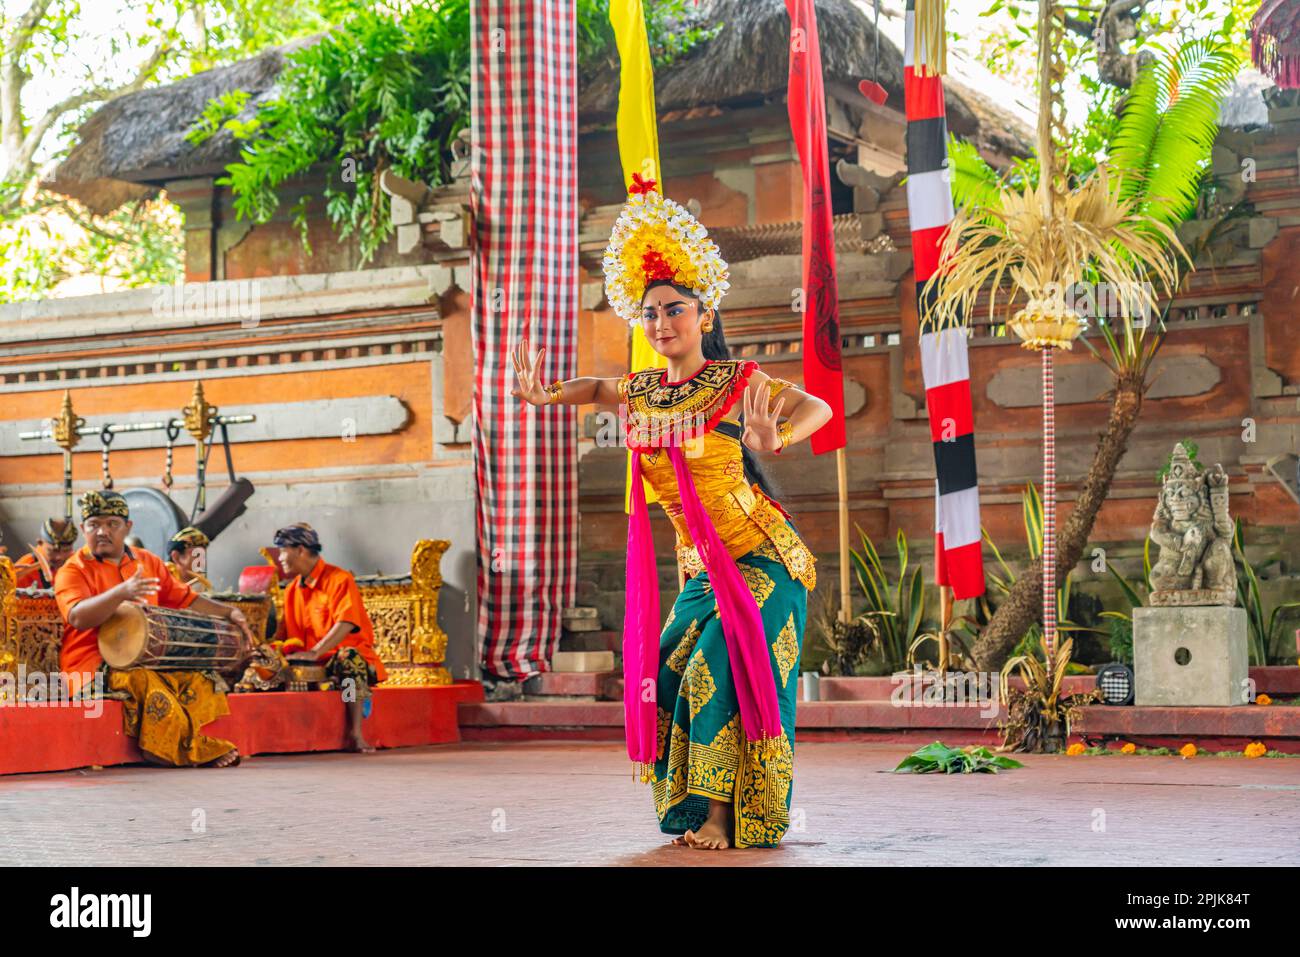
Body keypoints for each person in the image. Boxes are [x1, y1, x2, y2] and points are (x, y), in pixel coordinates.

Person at [512, 175, 831, 850]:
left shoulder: (737, 382)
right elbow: (595, 386)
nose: (661, 324)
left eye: (675, 310)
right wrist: (546, 395)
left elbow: (818, 407)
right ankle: (691, 805)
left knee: (719, 663)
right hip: (702, 570)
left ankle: (721, 814)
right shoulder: (642, 391)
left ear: (704, 315)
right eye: (651, 313)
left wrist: (776, 438)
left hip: (765, 557)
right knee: (662, 672)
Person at [54, 490, 255, 768]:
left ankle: (179, 737)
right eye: (94, 524)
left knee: (201, 678)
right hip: (91, 666)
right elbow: (77, 617)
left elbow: (185, 597)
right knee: (144, 681)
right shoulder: (73, 570)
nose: (102, 531)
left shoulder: (147, 562)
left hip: (148, 658)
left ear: (128, 527)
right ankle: (182, 749)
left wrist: (229, 611)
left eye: (112, 523)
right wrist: (121, 593)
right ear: (82, 529)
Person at [272, 523, 386, 753]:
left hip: (339, 657)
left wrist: (316, 652)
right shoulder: (292, 589)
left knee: (349, 660)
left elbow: (347, 622)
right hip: (307, 661)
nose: (280, 557)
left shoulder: (339, 579)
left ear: (301, 550)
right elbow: (283, 634)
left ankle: (355, 732)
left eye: (283, 550)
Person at [14, 517, 78, 589]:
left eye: (66, 550)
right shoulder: (23, 570)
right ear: (40, 543)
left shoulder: (77, 563)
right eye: (53, 551)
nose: (59, 557)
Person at [166, 526, 213, 592]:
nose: (202, 563)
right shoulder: (161, 581)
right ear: (176, 557)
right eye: (197, 556)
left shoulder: (201, 583)